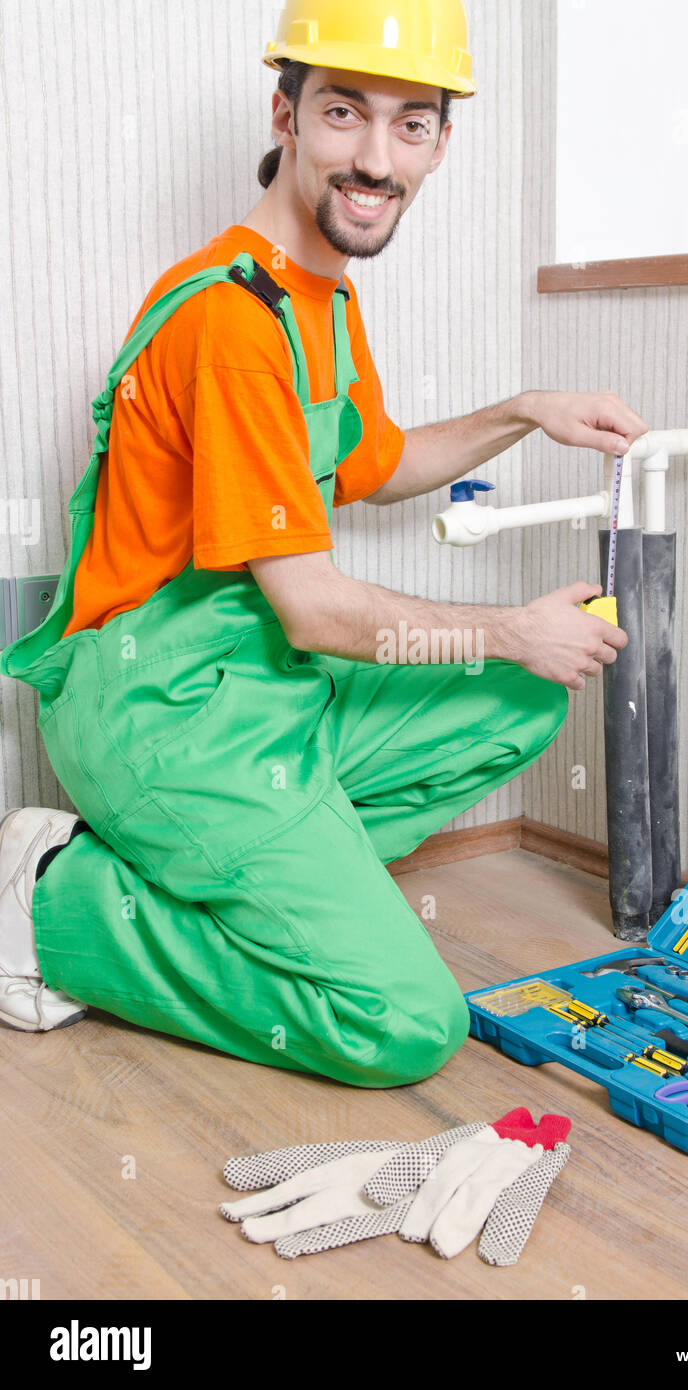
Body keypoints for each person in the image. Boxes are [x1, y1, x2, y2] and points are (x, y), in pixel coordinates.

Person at [0, 0, 645, 1086]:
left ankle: (267, 866)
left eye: (410, 124)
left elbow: (375, 461)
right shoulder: (235, 322)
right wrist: (507, 625)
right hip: (166, 711)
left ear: (442, 142)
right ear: (287, 115)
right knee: (401, 1021)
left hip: (264, 686)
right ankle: (53, 901)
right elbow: (310, 605)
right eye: (345, 113)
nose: (375, 159)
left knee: (524, 695)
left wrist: (525, 408)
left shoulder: (319, 297)